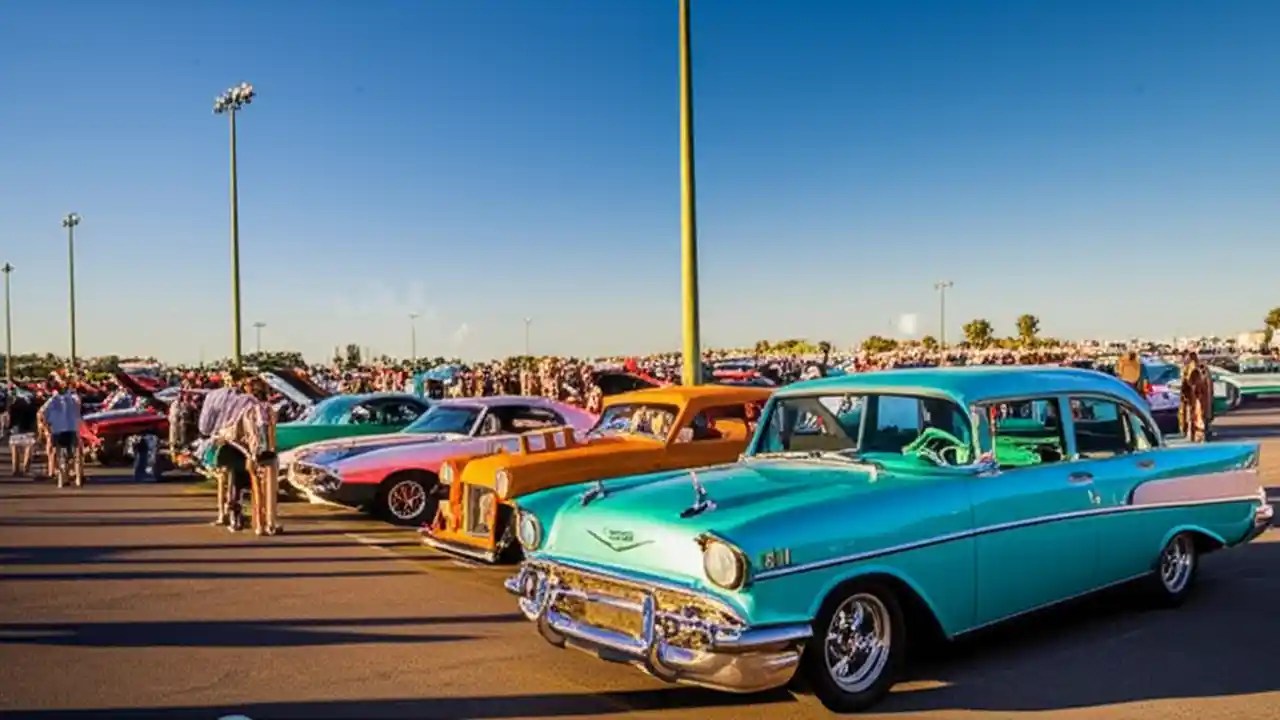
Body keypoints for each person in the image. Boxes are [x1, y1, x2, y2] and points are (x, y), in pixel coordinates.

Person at [198, 372, 256, 526]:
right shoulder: (250, 400)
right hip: (241, 445)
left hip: (217, 443)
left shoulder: (213, 397)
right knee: (238, 477)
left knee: (222, 478)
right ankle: (236, 511)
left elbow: (204, 426)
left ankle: (221, 514)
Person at [40, 382, 84, 487]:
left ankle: (62, 478)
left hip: (57, 430)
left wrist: (46, 426)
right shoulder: (74, 398)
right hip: (71, 428)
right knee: (75, 455)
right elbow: (78, 409)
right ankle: (77, 478)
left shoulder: (53, 400)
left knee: (61, 455)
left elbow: (41, 412)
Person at [1178, 352, 1211, 442]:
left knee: (1197, 416)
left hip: (1197, 398)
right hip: (1194, 398)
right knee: (1194, 416)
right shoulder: (1192, 369)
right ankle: (1195, 435)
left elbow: (1192, 383)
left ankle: (1198, 436)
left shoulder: (1197, 369)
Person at [6, 392, 37, 477]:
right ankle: (26, 469)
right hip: (28, 430)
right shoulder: (32, 407)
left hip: (15, 429)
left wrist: (8, 427)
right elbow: (35, 419)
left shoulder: (13, 407)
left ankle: (15, 470)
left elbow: (9, 419)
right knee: (28, 449)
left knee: (15, 449)